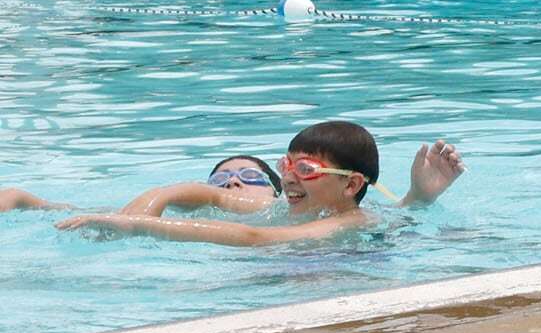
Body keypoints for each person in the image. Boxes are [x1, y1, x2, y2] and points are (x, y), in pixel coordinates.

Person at [53, 121, 464, 248]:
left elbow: (254, 238)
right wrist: (158, 198)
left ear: (351, 184)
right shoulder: (285, 208)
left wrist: (137, 226)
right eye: (286, 164)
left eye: (305, 169)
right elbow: (210, 195)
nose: (287, 176)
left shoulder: (348, 223)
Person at [4, 153, 280, 218]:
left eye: (249, 175)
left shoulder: (275, 209)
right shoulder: (184, 214)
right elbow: (79, 211)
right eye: (219, 179)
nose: (233, 181)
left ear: (277, 190)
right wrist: (26, 202)